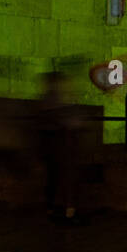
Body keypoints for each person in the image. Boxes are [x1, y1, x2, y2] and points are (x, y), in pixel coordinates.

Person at [38, 70, 86, 225]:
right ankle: (66, 212)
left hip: (59, 144)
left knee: (56, 177)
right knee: (64, 177)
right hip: (62, 144)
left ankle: (57, 209)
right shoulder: (54, 100)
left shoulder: (51, 99)